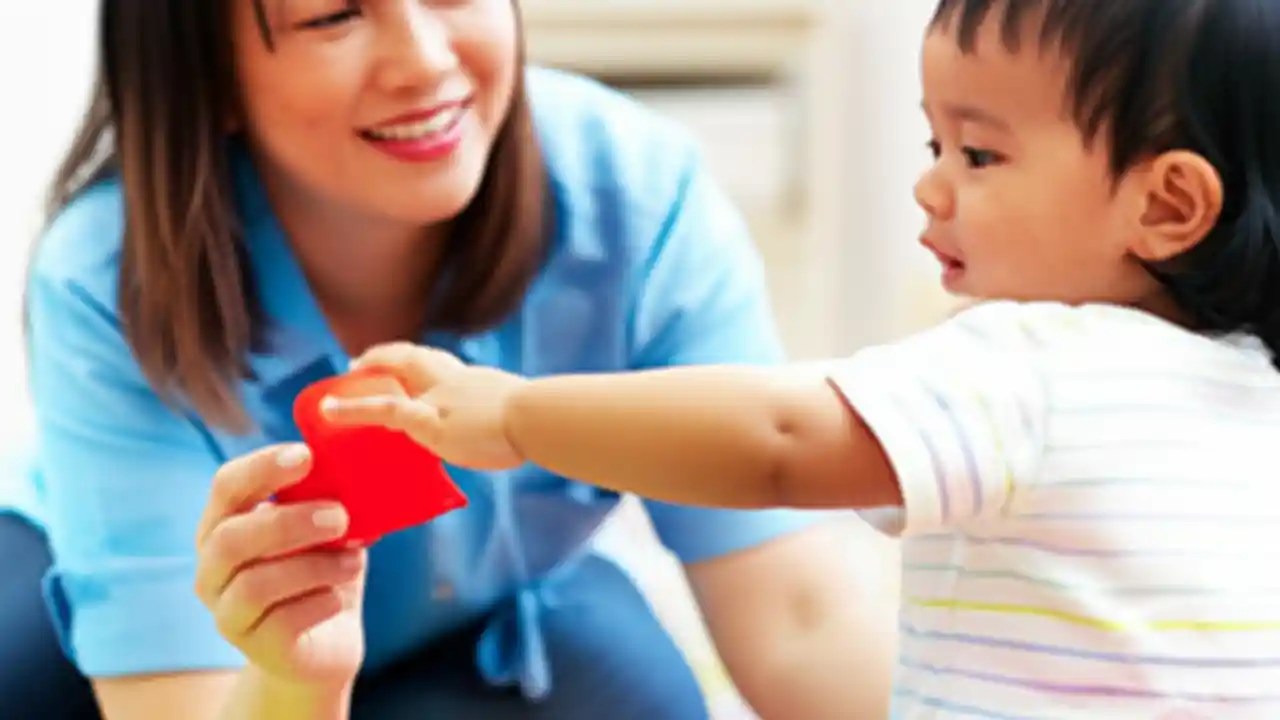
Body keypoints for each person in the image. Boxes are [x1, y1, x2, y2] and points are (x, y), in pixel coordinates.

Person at [319, 0, 1280, 717]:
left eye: (978, 156)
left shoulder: (1031, 367)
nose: (930, 183)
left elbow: (778, 439)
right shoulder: (1253, 392)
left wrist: (516, 416)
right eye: (935, 140)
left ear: (1165, 207)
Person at [5, 0, 899, 718]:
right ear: (207, 76)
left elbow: (796, 618)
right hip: (179, 663)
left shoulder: (631, 189)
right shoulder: (107, 275)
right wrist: (297, 687)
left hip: (481, 611)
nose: (427, 60)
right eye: (333, 17)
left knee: (634, 689)